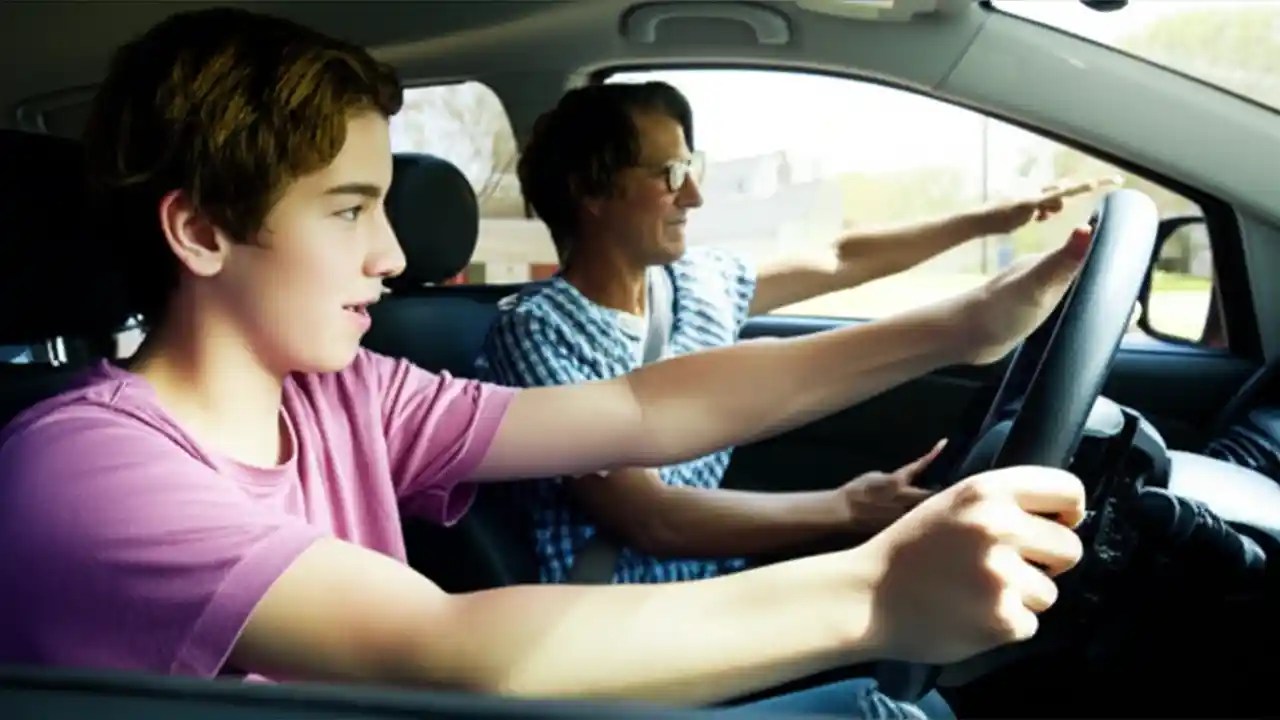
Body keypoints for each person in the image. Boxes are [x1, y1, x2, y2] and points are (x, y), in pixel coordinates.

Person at [0, 7, 1089, 719]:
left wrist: (962, 328)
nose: (392, 255)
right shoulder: (83, 471)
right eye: (348, 210)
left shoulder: (341, 392)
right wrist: (875, 590)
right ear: (200, 233)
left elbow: (641, 409)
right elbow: (446, 648)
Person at [475, 81, 1112, 585]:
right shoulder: (537, 331)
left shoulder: (697, 284)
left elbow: (839, 256)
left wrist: (994, 218)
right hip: (610, 616)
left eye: (692, 167)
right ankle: (972, 327)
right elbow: (649, 517)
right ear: (592, 192)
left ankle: (975, 324)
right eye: (668, 174)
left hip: (713, 583)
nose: (693, 195)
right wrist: (846, 508)